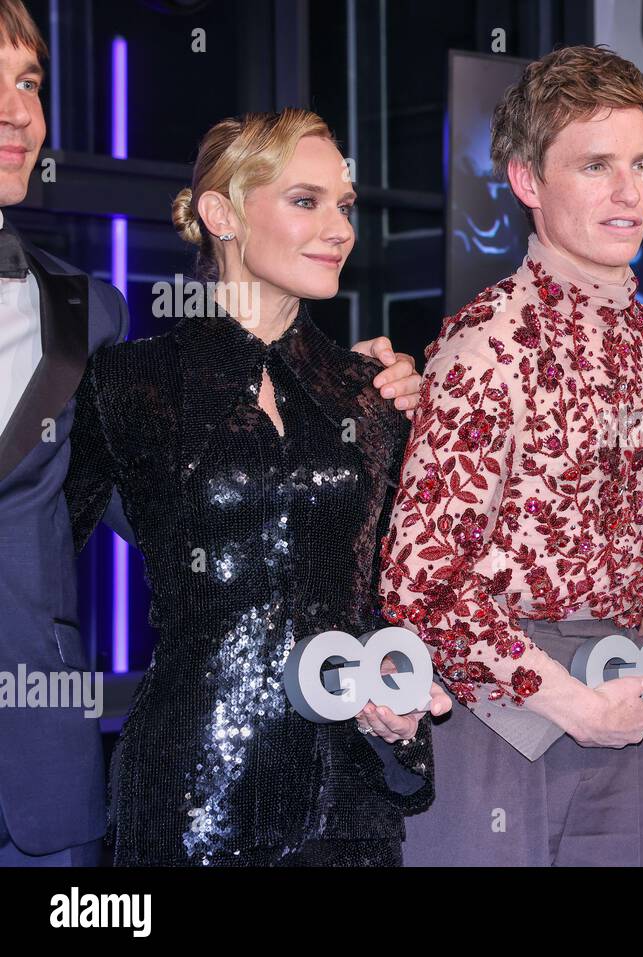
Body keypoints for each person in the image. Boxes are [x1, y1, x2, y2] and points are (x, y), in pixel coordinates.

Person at [62, 107, 451, 866]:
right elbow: (32, 566)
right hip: (188, 796)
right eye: (306, 201)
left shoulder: (373, 392)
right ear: (221, 213)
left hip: (347, 805)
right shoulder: (127, 383)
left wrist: (400, 701)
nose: (339, 227)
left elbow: (389, 596)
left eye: (345, 205)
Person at [380, 45, 643, 866]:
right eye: (596, 166)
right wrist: (570, 701)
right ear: (526, 181)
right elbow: (420, 584)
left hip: (615, 695)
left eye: (642, 163)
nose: (628, 192)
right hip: (502, 713)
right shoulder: (489, 342)